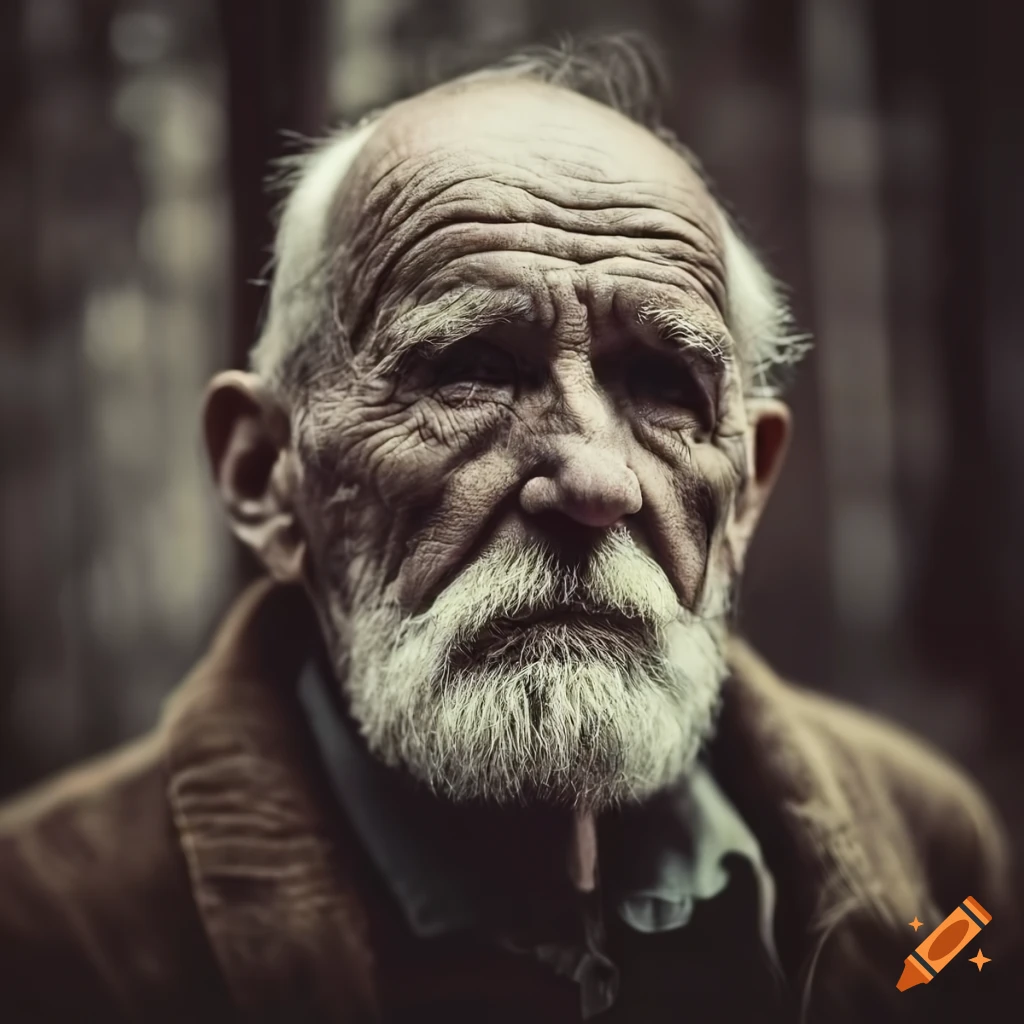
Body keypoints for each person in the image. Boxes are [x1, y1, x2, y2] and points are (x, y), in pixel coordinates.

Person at [0, 37, 1013, 1024]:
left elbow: (956, 989)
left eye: (663, 386)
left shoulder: (935, 864)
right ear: (267, 473)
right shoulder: (48, 938)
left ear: (742, 490)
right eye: (471, 368)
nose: (594, 479)